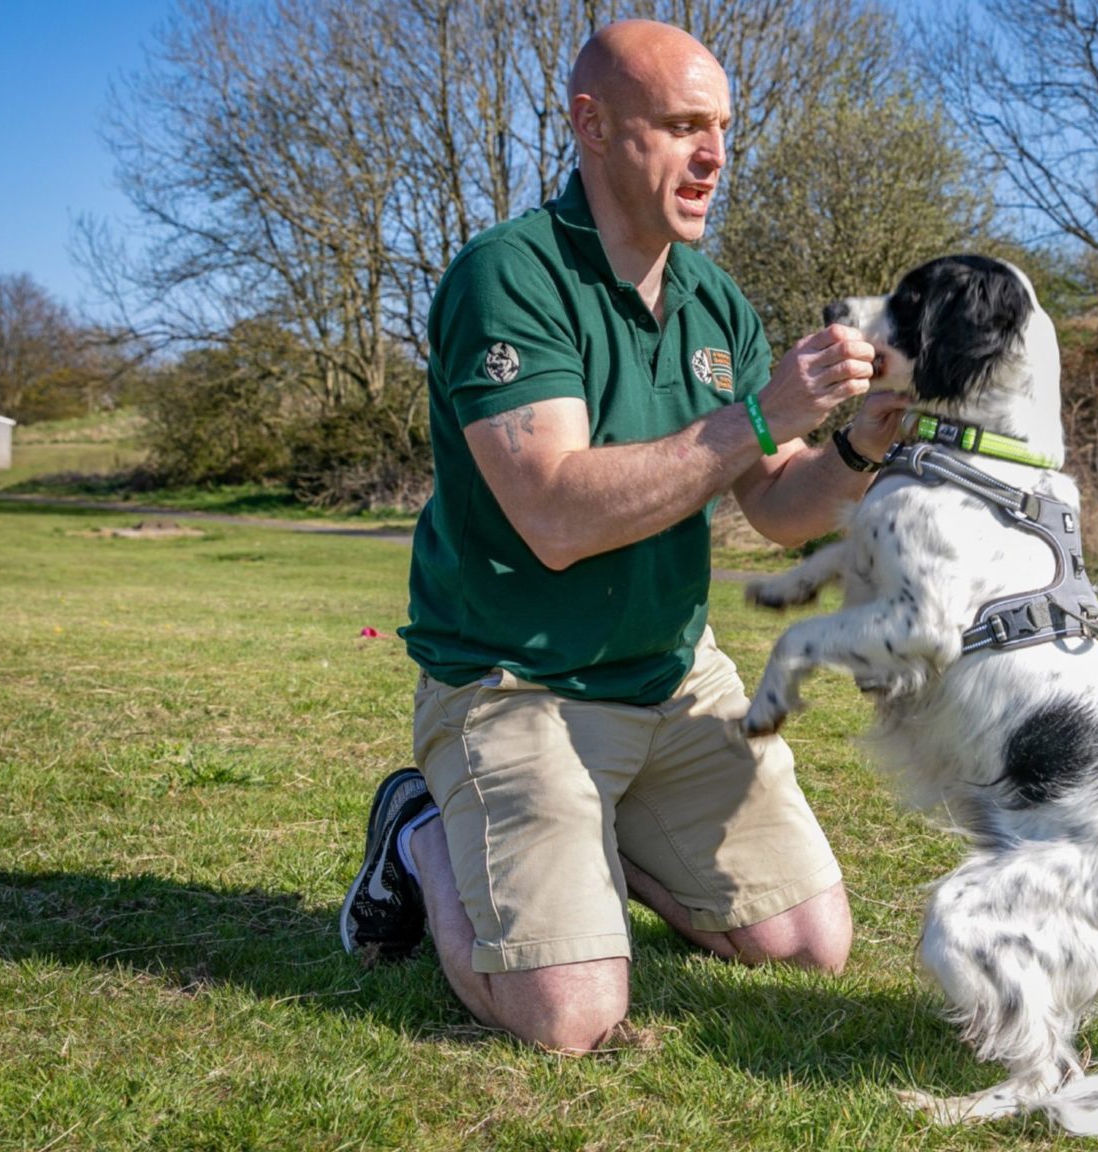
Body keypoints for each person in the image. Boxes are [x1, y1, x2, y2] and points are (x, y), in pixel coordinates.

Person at [337, 19, 904, 1052]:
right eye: (683, 126)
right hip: (516, 684)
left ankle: (584, 853)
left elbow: (774, 505)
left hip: (674, 680)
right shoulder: (507, 277)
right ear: (591, 125)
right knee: (569, 1019)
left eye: (724, 128)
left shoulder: (714, 302)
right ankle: (420, 834)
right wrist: (766, 412)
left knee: (809, 947)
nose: (716, 155)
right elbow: (554, 515)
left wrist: (859, 449)